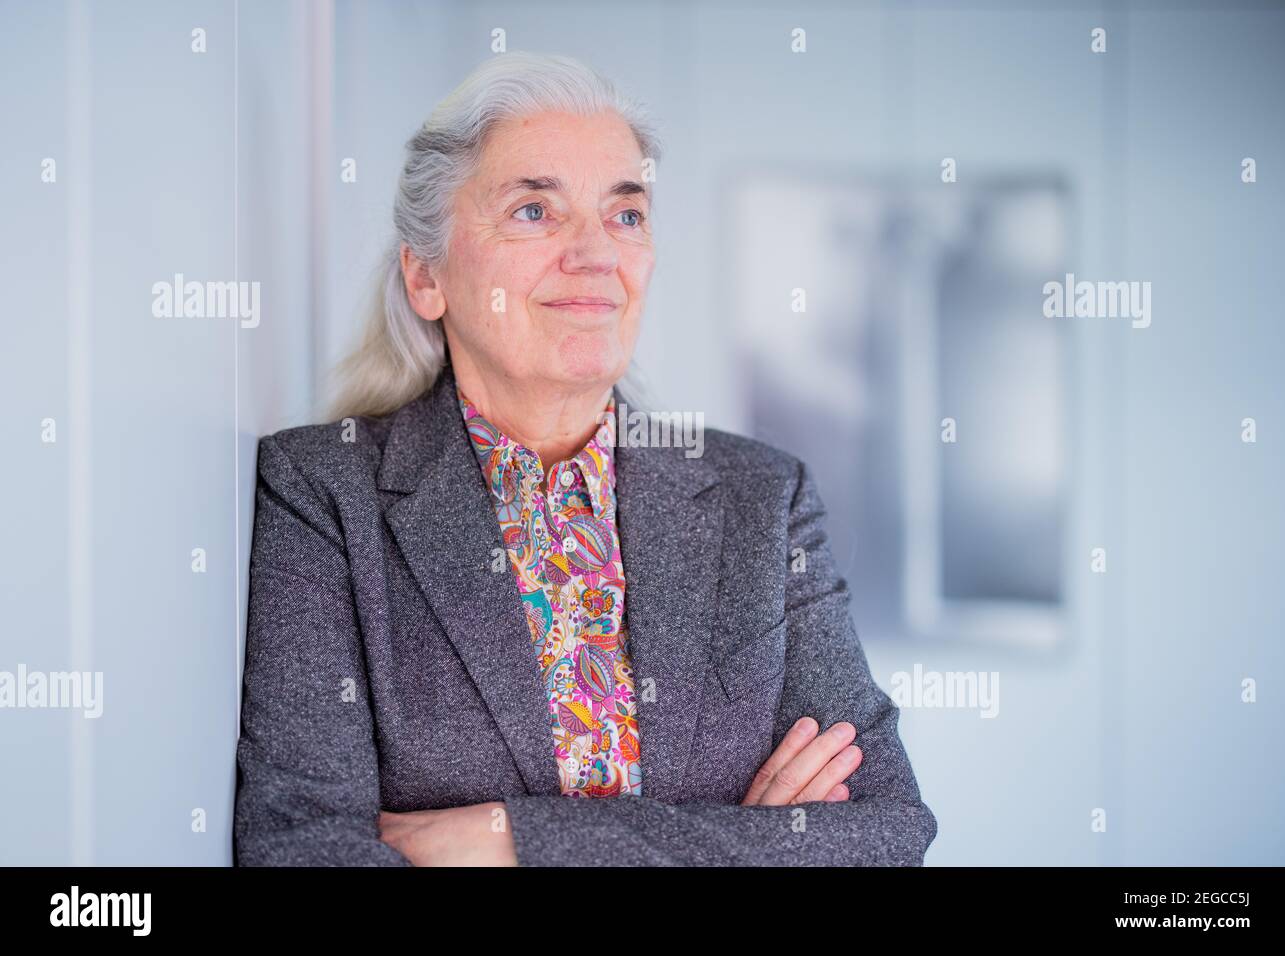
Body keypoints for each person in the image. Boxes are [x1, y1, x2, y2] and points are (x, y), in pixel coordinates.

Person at [233, 51, 937, 866]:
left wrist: (507, 840)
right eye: (534, 210)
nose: (596, 254)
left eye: (625, 214)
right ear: (427, 277)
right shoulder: (324, 496)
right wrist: (747, 842)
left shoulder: (762, 496)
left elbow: (886, 832)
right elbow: (306, 852)